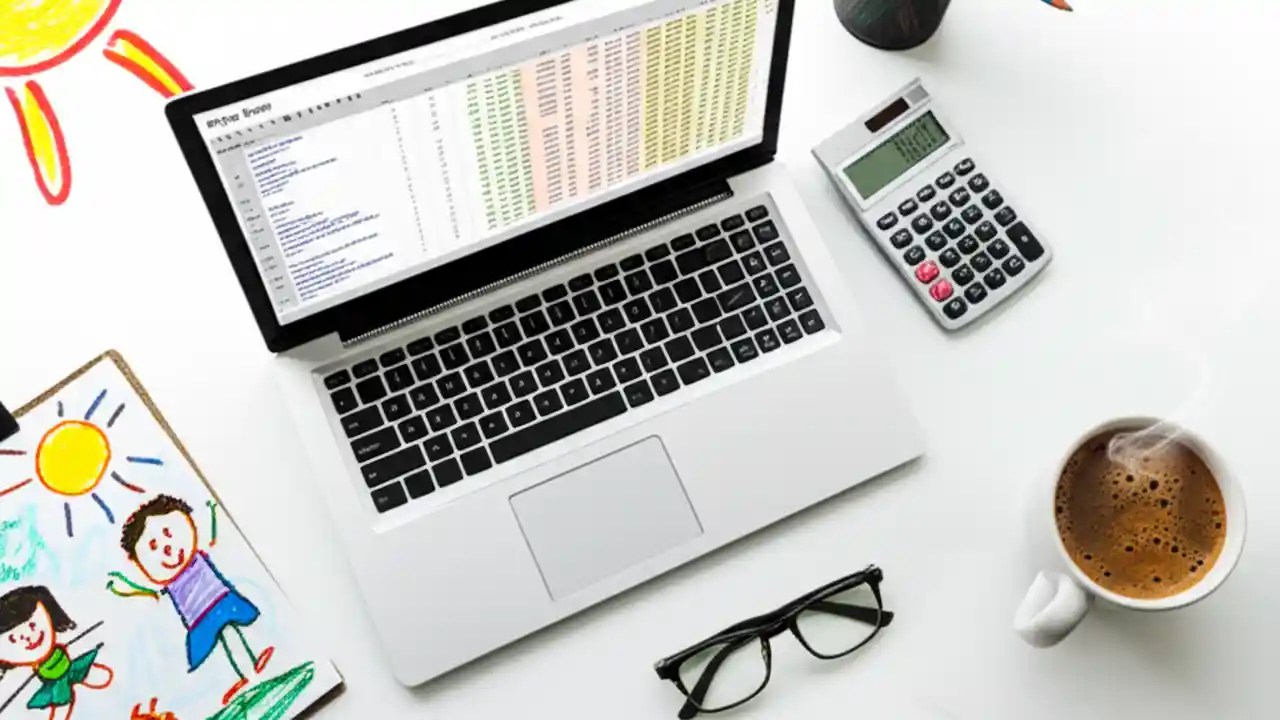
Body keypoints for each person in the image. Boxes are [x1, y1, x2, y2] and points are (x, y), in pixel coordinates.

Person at [108, 495, 273, 706]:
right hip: (200, 617)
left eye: (168, 533)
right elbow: (147, 592)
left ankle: (250, 670)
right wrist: (121, 586)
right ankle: (245, 675)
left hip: (220, 599)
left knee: (230, 631)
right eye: (153, 546)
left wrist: (214, 512)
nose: (167, 548)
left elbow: (213, 540)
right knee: (222, 636)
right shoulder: (169, 585)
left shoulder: (199, 556)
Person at [0, 586, 113, 720]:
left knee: (95, 675)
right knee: (61, 701)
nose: (29, 637)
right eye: (13, 639)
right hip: (53, 683)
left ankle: (85, 675)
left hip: (70, 667)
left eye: (33, 625)